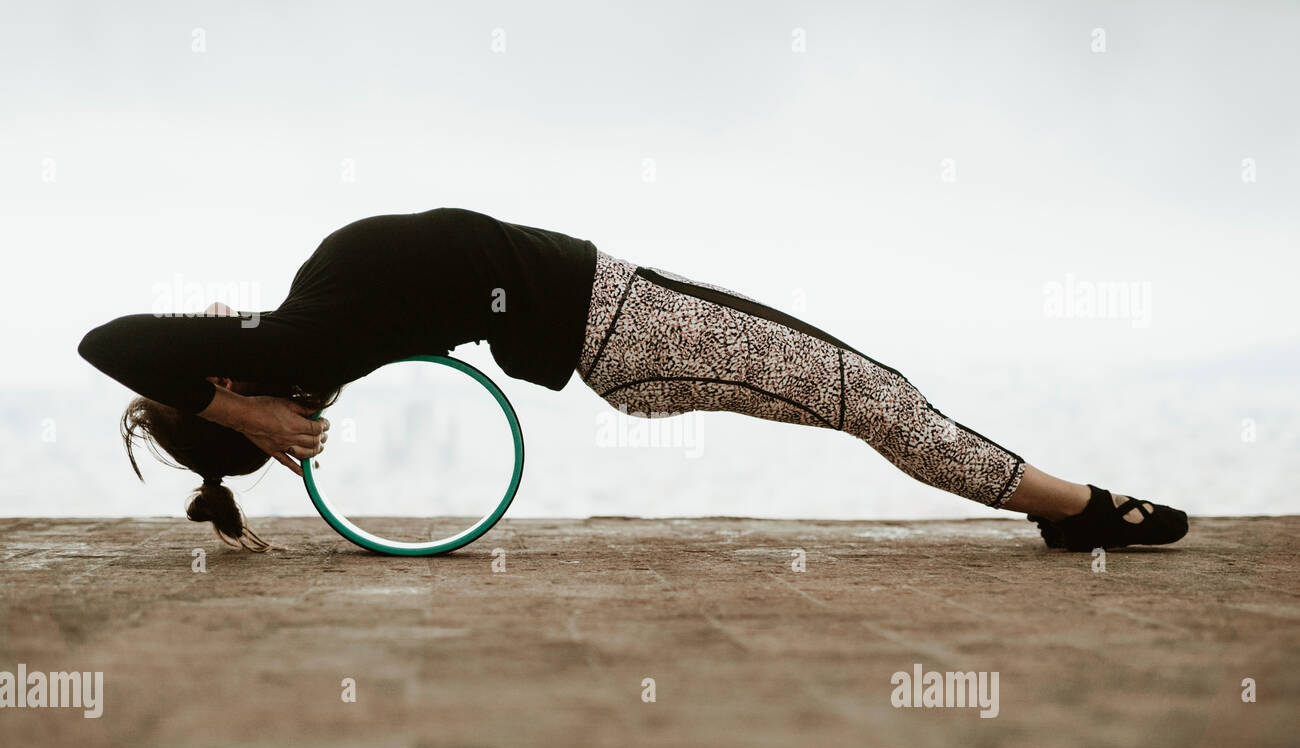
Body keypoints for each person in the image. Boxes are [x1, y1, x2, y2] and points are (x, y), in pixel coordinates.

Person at [78, 207, 1188, 553]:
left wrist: (244, 411)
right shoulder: (279, 348)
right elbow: (105, 336)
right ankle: (1077, 510)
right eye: (211, 364)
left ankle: (1066, 505)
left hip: (627, 310)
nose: (207, 311)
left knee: (869, 392)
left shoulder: (299, 324)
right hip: (629, 330)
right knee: (876, 395)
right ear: (217, 378)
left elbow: (144, 345)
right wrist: (247, 407)